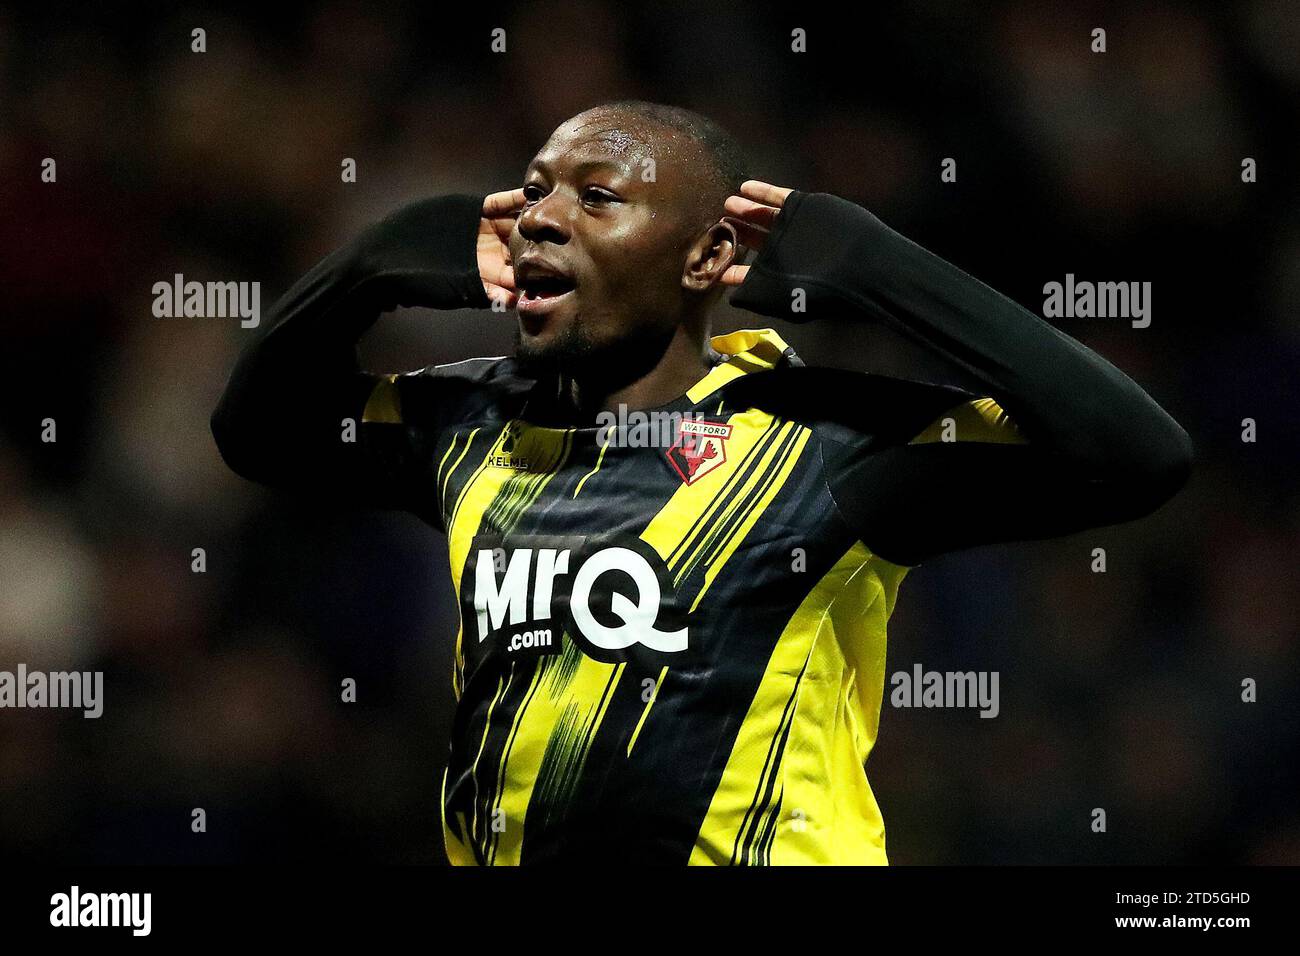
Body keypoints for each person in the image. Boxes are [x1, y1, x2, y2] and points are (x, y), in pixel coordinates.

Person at [211, 100, 1192, 865]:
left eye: (595, 197)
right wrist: (363, 272)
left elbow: (1136, 452)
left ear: (711, 254)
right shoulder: (468, 419)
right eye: (536, 190)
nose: (543, 218)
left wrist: (889, 271)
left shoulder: (819, 437)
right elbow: (257, 435)